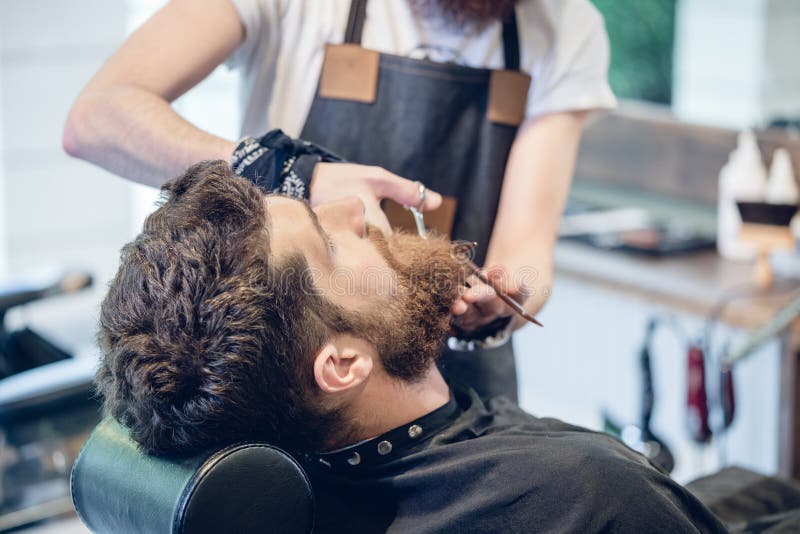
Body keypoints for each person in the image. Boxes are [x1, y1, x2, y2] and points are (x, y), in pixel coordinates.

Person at [96, 161, 724, 533]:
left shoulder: (317, 494)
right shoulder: (593, 497)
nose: (351, 209)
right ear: (342, 364)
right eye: (329, 241)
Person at [64, 0, 617, 402]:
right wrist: (290, 172)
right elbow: (98, 118)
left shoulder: (564, 25)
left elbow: (527, 247)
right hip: (294, 360)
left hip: (458, 371)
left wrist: (503, 301)